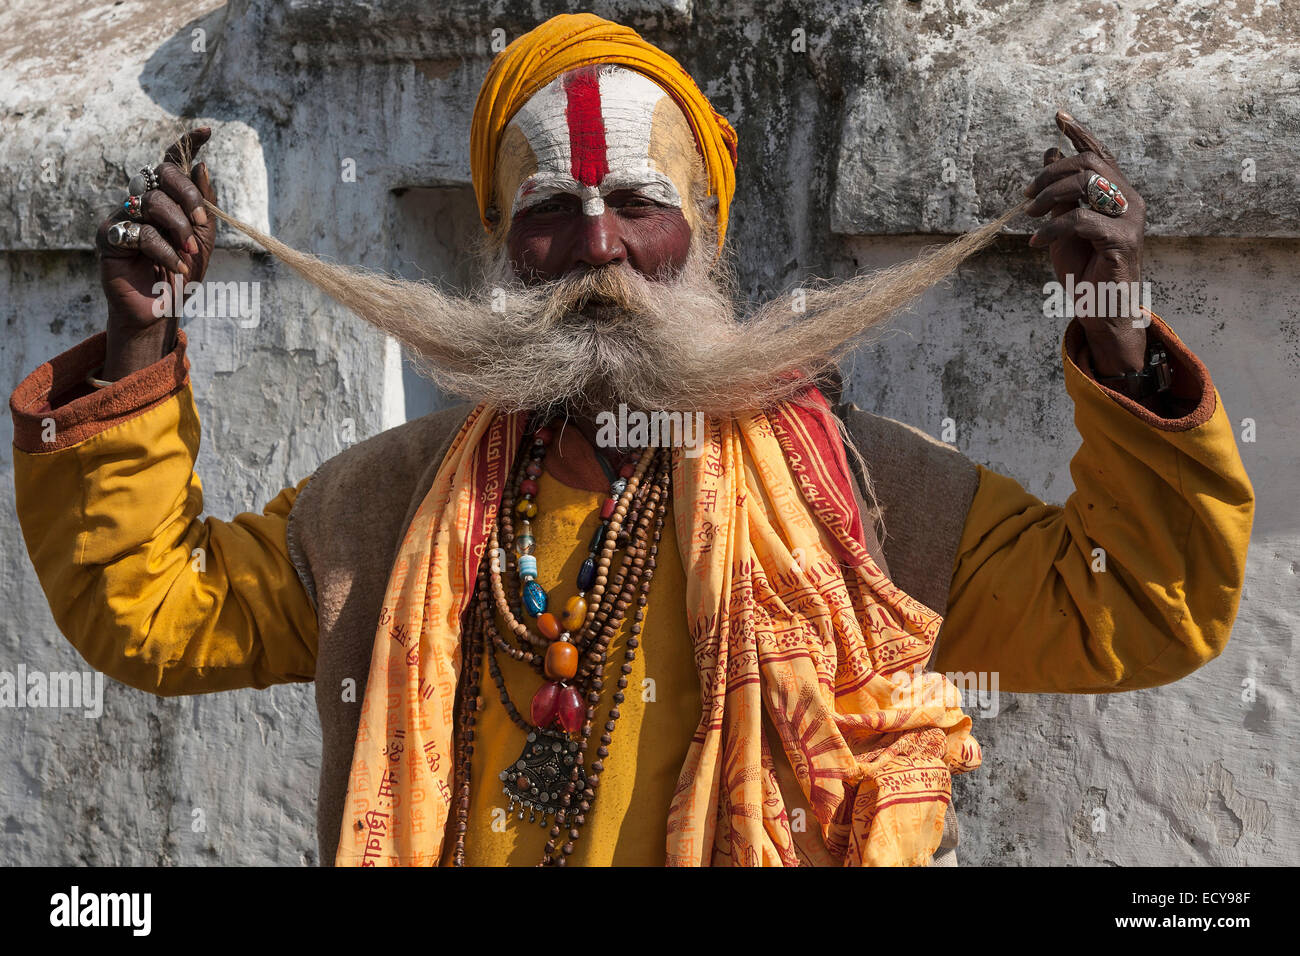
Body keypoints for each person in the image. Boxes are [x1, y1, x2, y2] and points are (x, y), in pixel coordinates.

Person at [9, 13, 1253, 866]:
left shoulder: (871, 502)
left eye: (637, 205)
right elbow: (151, 612)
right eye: (551, 211)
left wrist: (1111, 327)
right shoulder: (382, 510)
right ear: (502, 246)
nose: (597, 246)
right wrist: (136, 344)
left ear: (698, 233)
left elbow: (1139, 605)